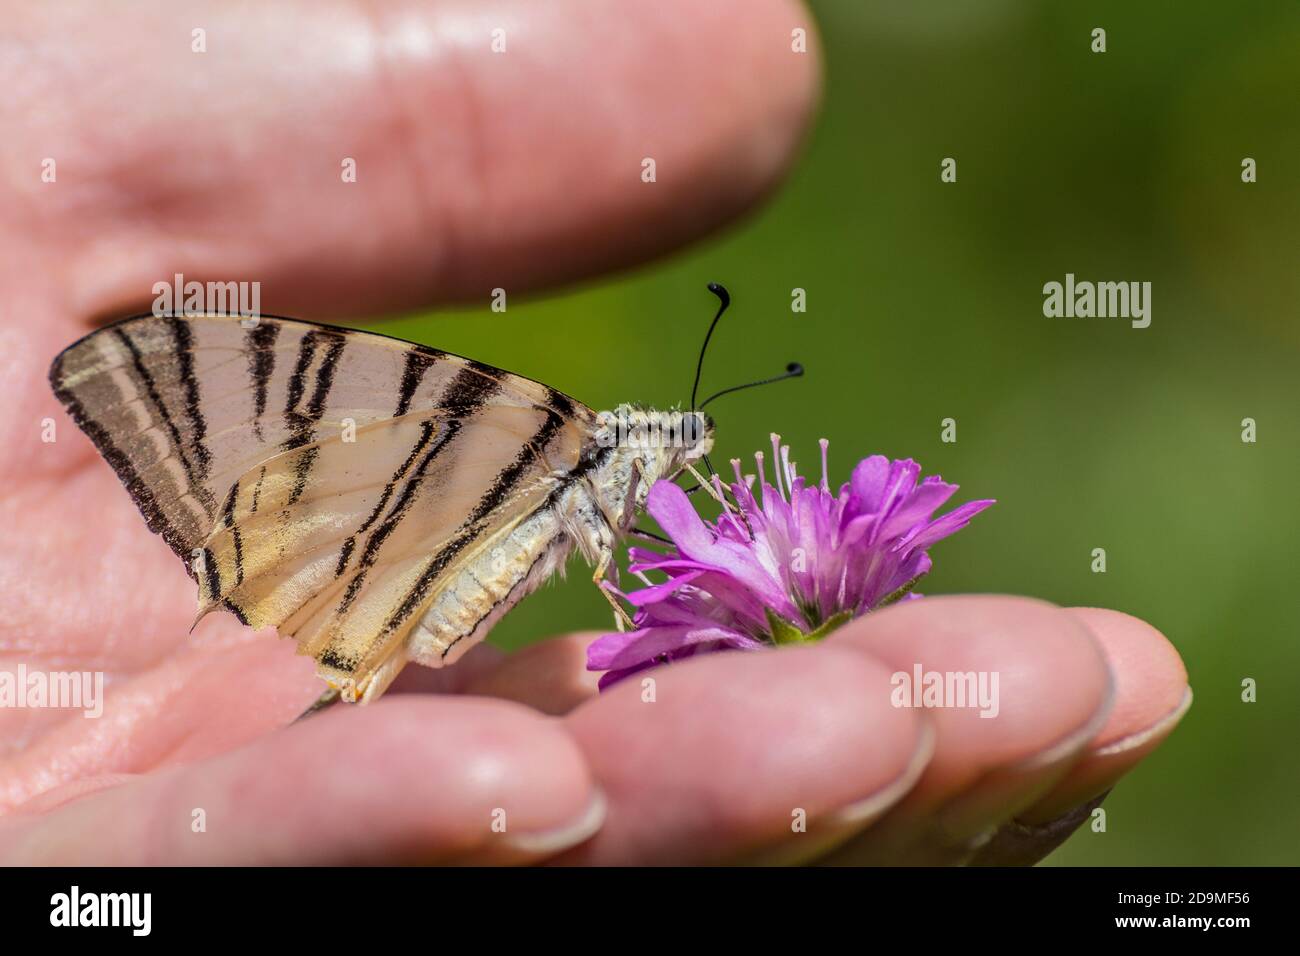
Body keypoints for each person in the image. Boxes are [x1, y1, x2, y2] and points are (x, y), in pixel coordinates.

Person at [0, 0, 1188, 865]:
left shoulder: (554, 460)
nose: (687, 459)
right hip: (344, 550)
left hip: (399, 561)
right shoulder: (540, 436)